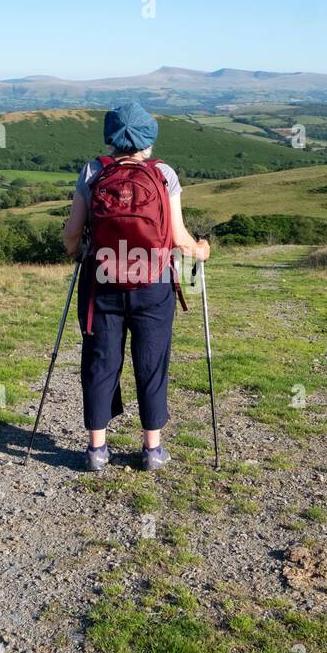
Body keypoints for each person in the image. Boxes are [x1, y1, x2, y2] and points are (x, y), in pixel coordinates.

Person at [62, 102, 211, 472]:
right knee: (152, 362)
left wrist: (80, 251)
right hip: (154, 283)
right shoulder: (164, 174)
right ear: (149, 136)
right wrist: (201, 251)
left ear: (110, 135)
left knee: (100, 362)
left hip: (101, 282)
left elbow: (70, 237)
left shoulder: (93, 171)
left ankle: (97, 450)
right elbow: (178, 238)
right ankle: (152, 449)